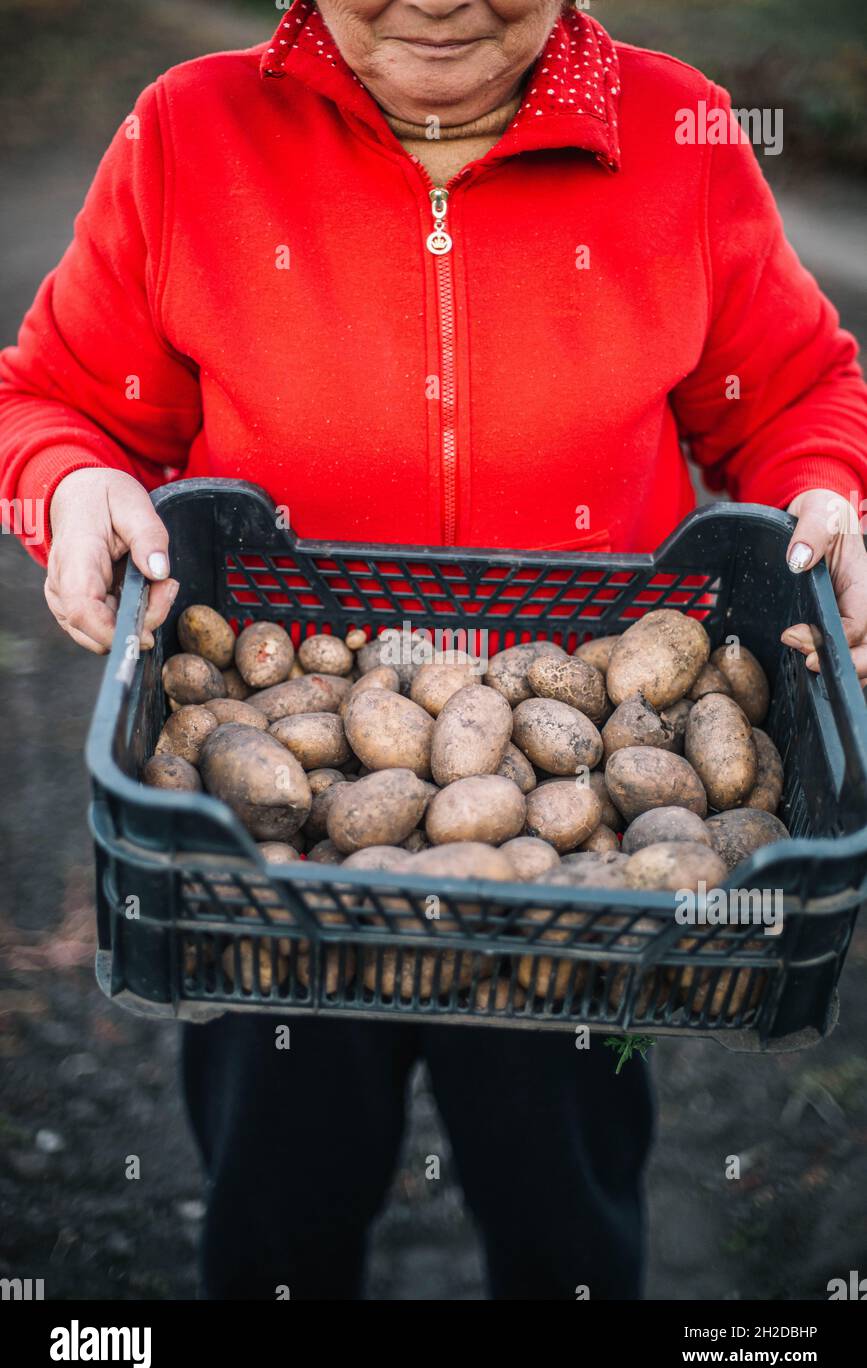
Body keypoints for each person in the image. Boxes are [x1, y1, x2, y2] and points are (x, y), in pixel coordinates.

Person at [1, 0, 866, 1300]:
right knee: (277, 1200)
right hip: (268, 882)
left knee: (568, 1209)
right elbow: (57, 394)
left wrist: (827, 486)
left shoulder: (681, 140)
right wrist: (68, 483)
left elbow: (798, 391)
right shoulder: (194, 135)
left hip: (582, 891)